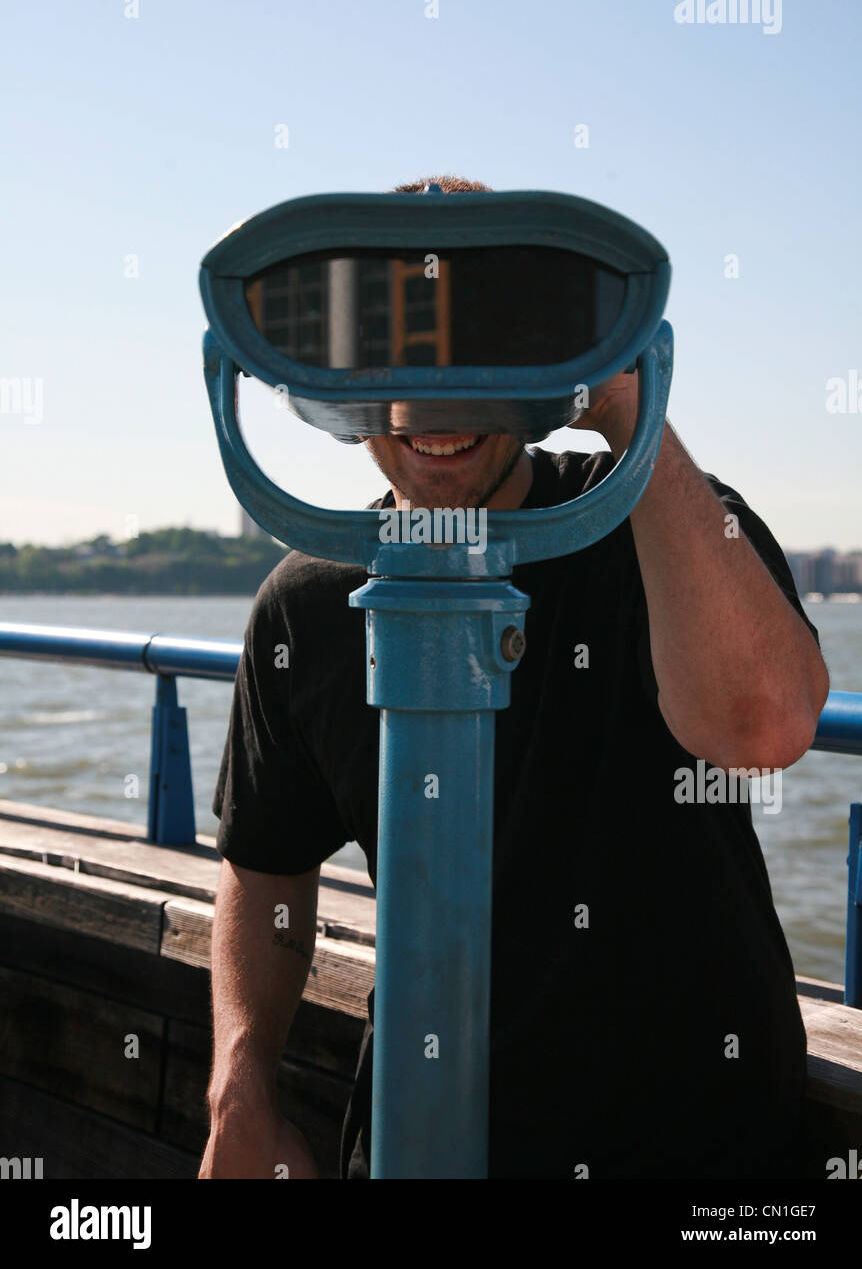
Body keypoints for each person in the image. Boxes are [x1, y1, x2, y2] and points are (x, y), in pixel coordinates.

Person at [199, 174, 829, 1181]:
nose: (437, 401)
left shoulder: (662, 533)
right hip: (421, 1125)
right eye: (396, 344)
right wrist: (241, 1085)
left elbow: (761, 726)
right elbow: (266, 862)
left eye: (482, 344)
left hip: (696, 1148)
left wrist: (622, 397)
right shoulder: (305, 607)